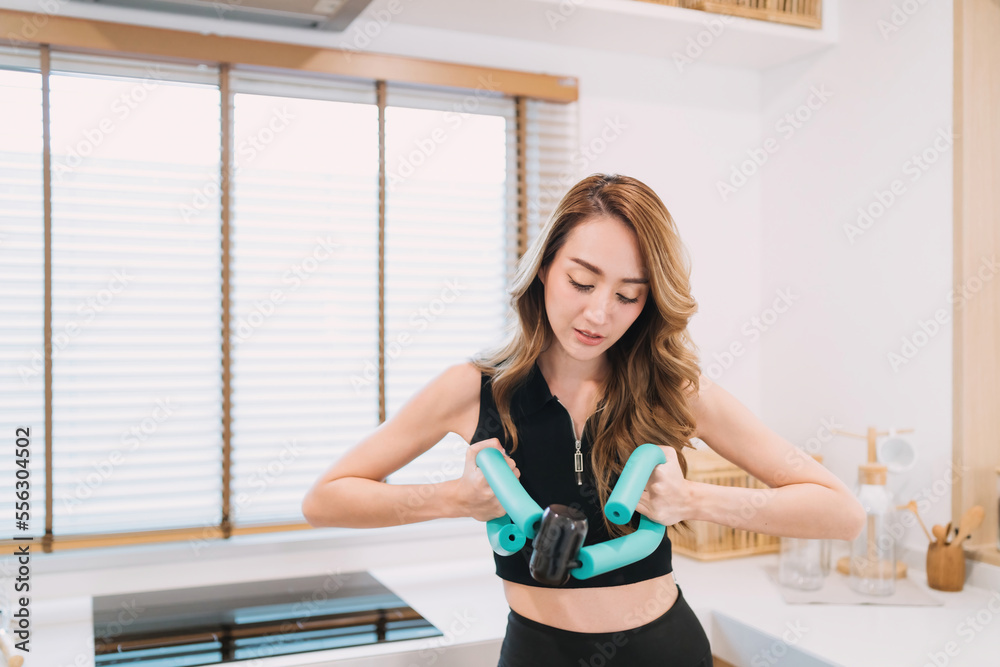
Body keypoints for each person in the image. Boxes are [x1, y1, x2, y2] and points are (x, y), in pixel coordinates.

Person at [302, 173, 866, 667]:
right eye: (582, 281)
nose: (599, 313)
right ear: (546, 267)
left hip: (664, 651)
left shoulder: (676, 390)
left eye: (628, 296)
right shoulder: (472, 389)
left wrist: (694, 501)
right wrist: (455, 498)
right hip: (534, 653)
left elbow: (841, 513)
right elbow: (326, 498)